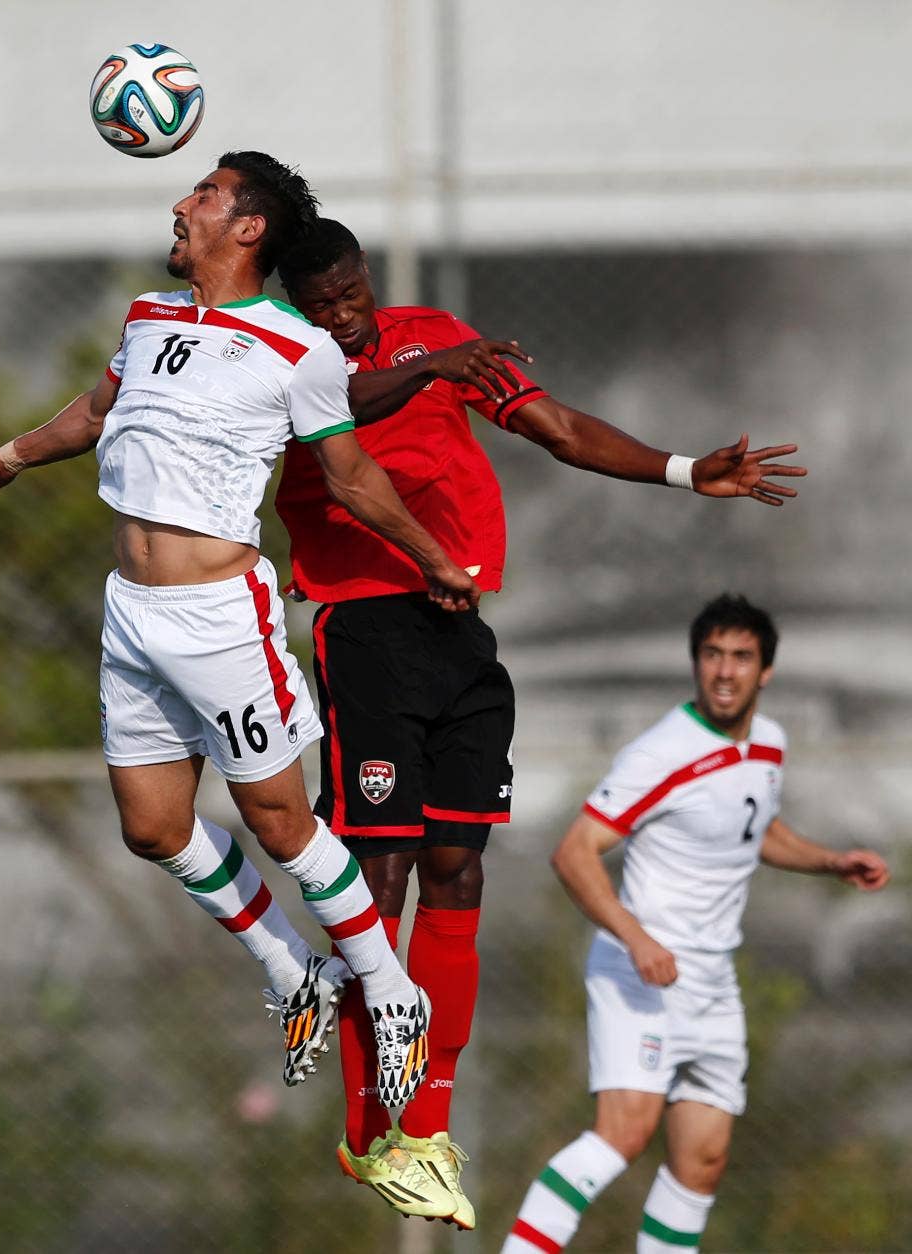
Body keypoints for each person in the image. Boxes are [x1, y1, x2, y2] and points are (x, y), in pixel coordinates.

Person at [0, 153, 487, 1180]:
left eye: (204, 193)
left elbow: (351, 474)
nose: (182, 203)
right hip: (132, 613)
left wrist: (430, 559)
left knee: (281, 824)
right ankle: (292, 974)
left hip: (221, 619)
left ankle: (389, 989)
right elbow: (96, 414)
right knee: (151, 828)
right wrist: (6, 460)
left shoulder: (293, 347)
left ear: (247, 230)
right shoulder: (149, 315)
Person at [272, 219, 809, 1229]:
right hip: (365, 632)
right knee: (376, 876)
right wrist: (433, 366)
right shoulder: (285, 357)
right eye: (325, 301)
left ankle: (421, 1127)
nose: (344, 314)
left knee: (457, 868)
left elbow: (555, 427)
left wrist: (690, 471)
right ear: (296, 305)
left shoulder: (428, 333)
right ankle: (363, 1127)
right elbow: (335, 403)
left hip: (461, 630)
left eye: (353, 293)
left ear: (366, 279)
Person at [501, 593, 890, 1254]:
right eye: (712, 655)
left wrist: (830, 860)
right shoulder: (663, 752)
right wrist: (638, 937)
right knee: (623, 1133)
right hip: (642, 973)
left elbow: (753, 825)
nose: (725, 671)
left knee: (701, 1162)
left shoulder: (768, 744)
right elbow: (574, 852)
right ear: (695, 664)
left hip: (712, 980)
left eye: (741, 656)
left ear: (765, 670)